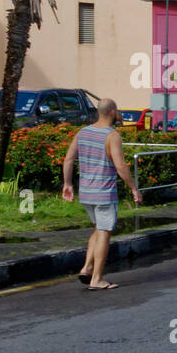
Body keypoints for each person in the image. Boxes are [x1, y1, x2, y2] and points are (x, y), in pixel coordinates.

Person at [60, 97, 142, 290]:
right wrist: (133, 187)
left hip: (86, 193)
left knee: (98, 228)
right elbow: (120, 165)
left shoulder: (83, 132)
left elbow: (69, 159)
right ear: (112, 112)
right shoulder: (112, 135)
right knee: (105, 232)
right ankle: (97, 279)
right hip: (104, 193)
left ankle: (87, 267)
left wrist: (68, 183)